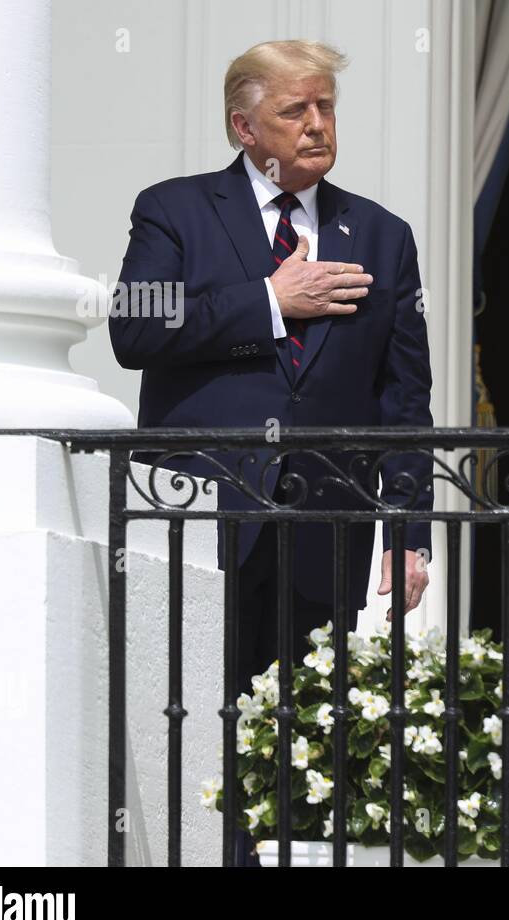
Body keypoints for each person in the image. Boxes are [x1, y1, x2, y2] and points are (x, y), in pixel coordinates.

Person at [108, 39, 433, 865]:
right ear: (243, 126)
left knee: (299, 732)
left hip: (325, 524)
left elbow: (404, 400)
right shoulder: (175, 210)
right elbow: (135, 329)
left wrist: (407, 530)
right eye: (297, 111)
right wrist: (267, 299)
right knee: (194, 713)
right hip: (200, 517)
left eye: (326, 107)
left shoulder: (384, 236)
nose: (318, 125)